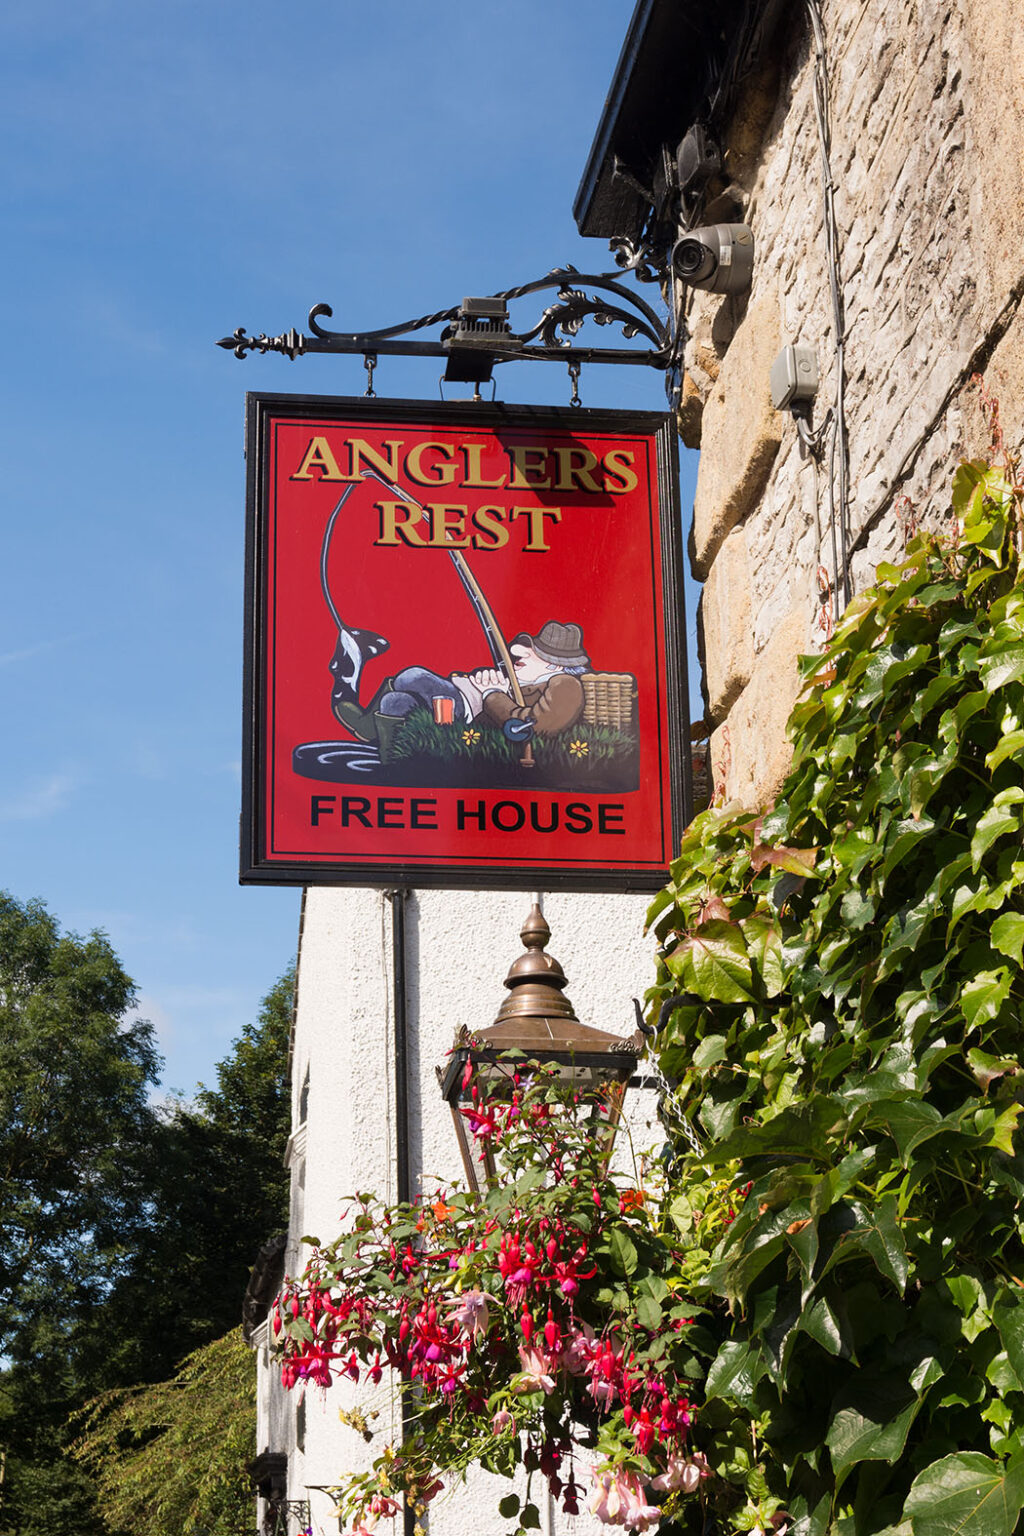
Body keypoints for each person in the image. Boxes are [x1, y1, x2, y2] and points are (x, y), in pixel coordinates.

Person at [331, 621, 591, 758]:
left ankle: (367, 728)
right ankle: (354, 699)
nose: (516, 651)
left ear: (552, 663)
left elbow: (529, 727)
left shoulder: (565, 686)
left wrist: (491, 694)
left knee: (414, 676)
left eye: (531, 651)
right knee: (394, 702)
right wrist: (477, 682)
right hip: (464, 703)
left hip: (466, 716)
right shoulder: (530, 678)